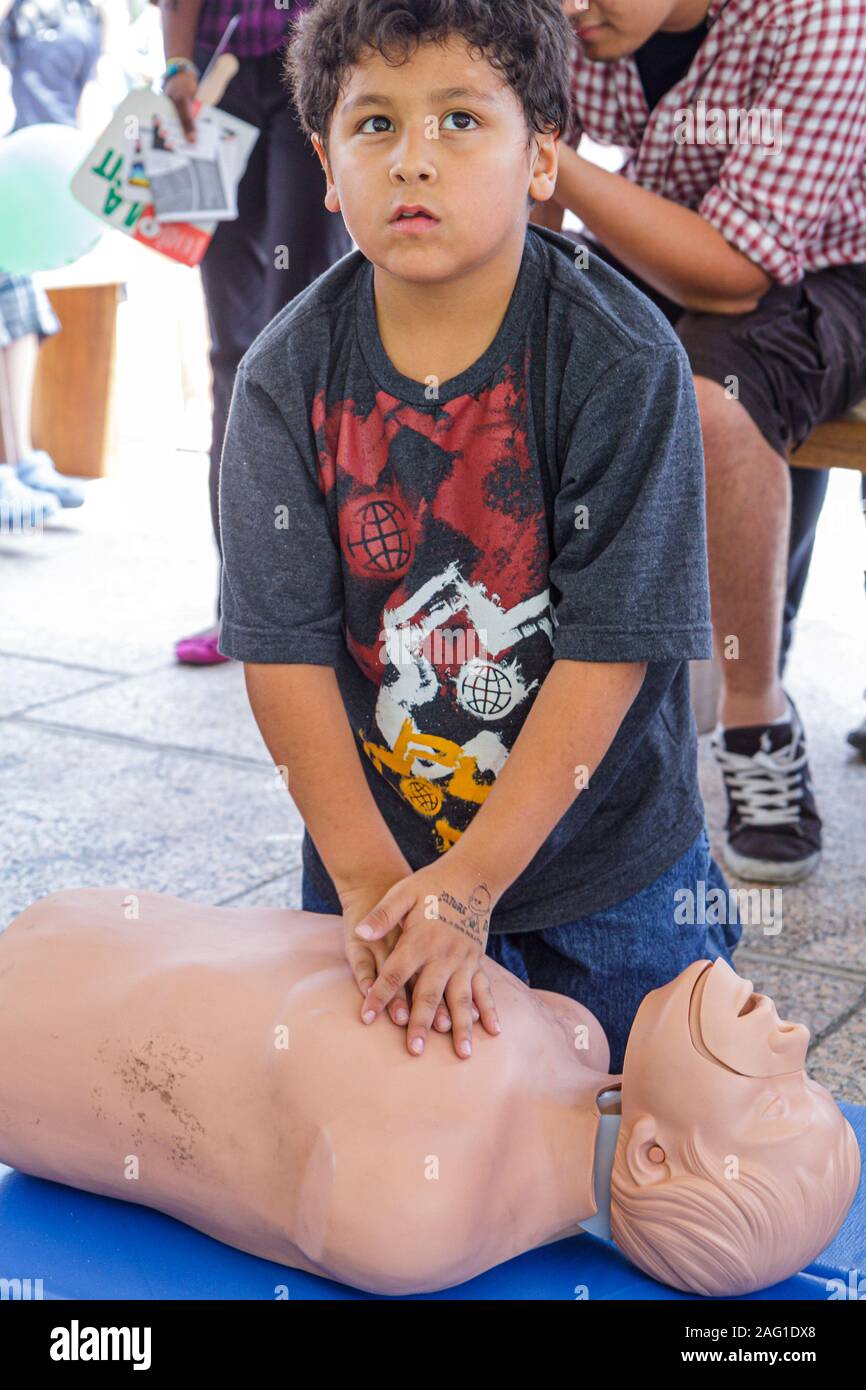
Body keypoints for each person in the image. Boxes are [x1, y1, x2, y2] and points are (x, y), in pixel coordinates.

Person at [216, 0, 743, 1075]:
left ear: (542, 153)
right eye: (373, 127)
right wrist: (371, 889)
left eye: (459, 120)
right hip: (376, 859)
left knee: (658, 1131)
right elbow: (282, 651)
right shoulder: (281, 379)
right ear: (323, 165)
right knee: (392, 1161)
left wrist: (472, 884)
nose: (413, 161)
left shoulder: (617, 357)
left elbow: (609, 652)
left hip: (609, 873)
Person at [0, 886, 858, 1298]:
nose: (790, 1037)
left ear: (653, 1154)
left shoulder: (418, 1214)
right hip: (86, 926)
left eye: (774, 1095)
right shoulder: (574, 1038)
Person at [547, 0, 866, 882]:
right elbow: (527, 188)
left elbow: (736, 275)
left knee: (714, 401)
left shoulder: (824, 14)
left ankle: (755, 719)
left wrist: (548, 157)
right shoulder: (566, 17)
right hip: (664, 224)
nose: (570, 7)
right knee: (519, 361)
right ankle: (545, 696)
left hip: (827, 262)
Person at [157, 0, 353, 665]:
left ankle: (314, 604)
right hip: (215, 82)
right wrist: (177, 65)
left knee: (300, 343)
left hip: (319, 68)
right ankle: (238, 604)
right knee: (231, 355)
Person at [0, 0, 100, 527]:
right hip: (16, 164)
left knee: (15, 292)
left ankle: (19, 459)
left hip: (48, 176)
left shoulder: (87, 13)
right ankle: (10, 466)